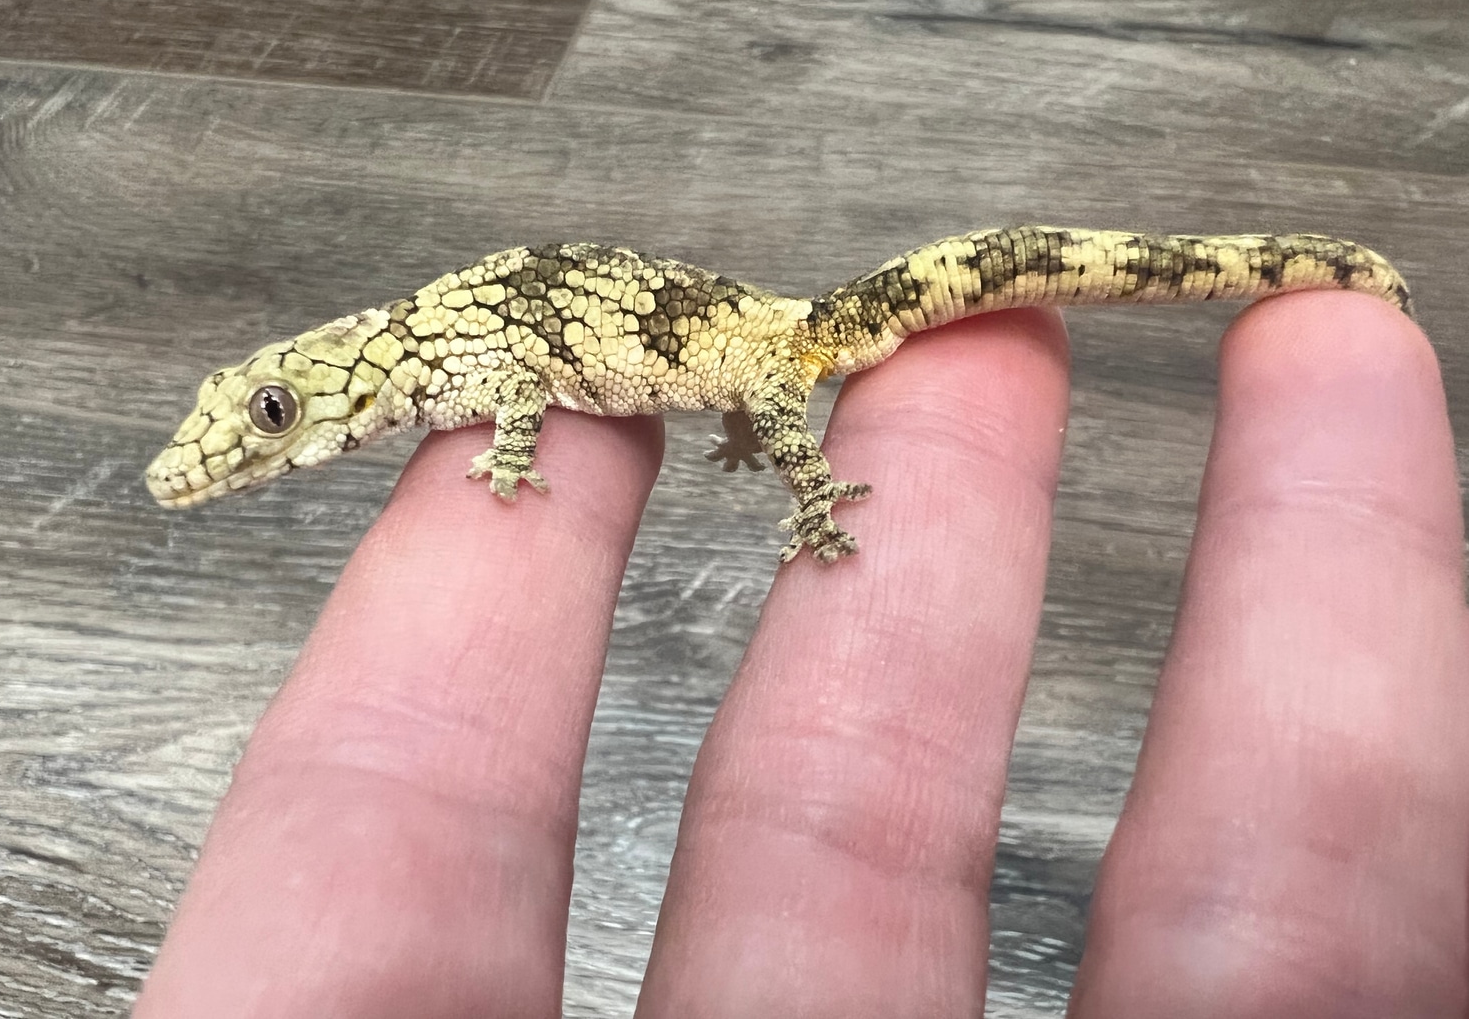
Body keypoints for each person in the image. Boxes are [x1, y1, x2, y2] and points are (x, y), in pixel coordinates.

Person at [132, 294, 1469, 1017]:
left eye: (266, 413)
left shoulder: (445, 356)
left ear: (332, 382)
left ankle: (1293, 268)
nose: (254, 433)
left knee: (853, 384)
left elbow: (530, 377)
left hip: (766, 343)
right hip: (724, 341)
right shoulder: (422, 350)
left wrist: (790, 480)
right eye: (250, 412)